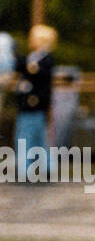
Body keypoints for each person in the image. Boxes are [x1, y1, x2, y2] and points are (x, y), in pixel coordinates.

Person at [13, 24, 56, 183]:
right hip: (28, 105)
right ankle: (44, 167)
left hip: (34, 105)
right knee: (36, 138)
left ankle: (27, 169)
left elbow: (34, 71)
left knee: (28, 137)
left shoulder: (44, 59)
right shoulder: (33, 57)